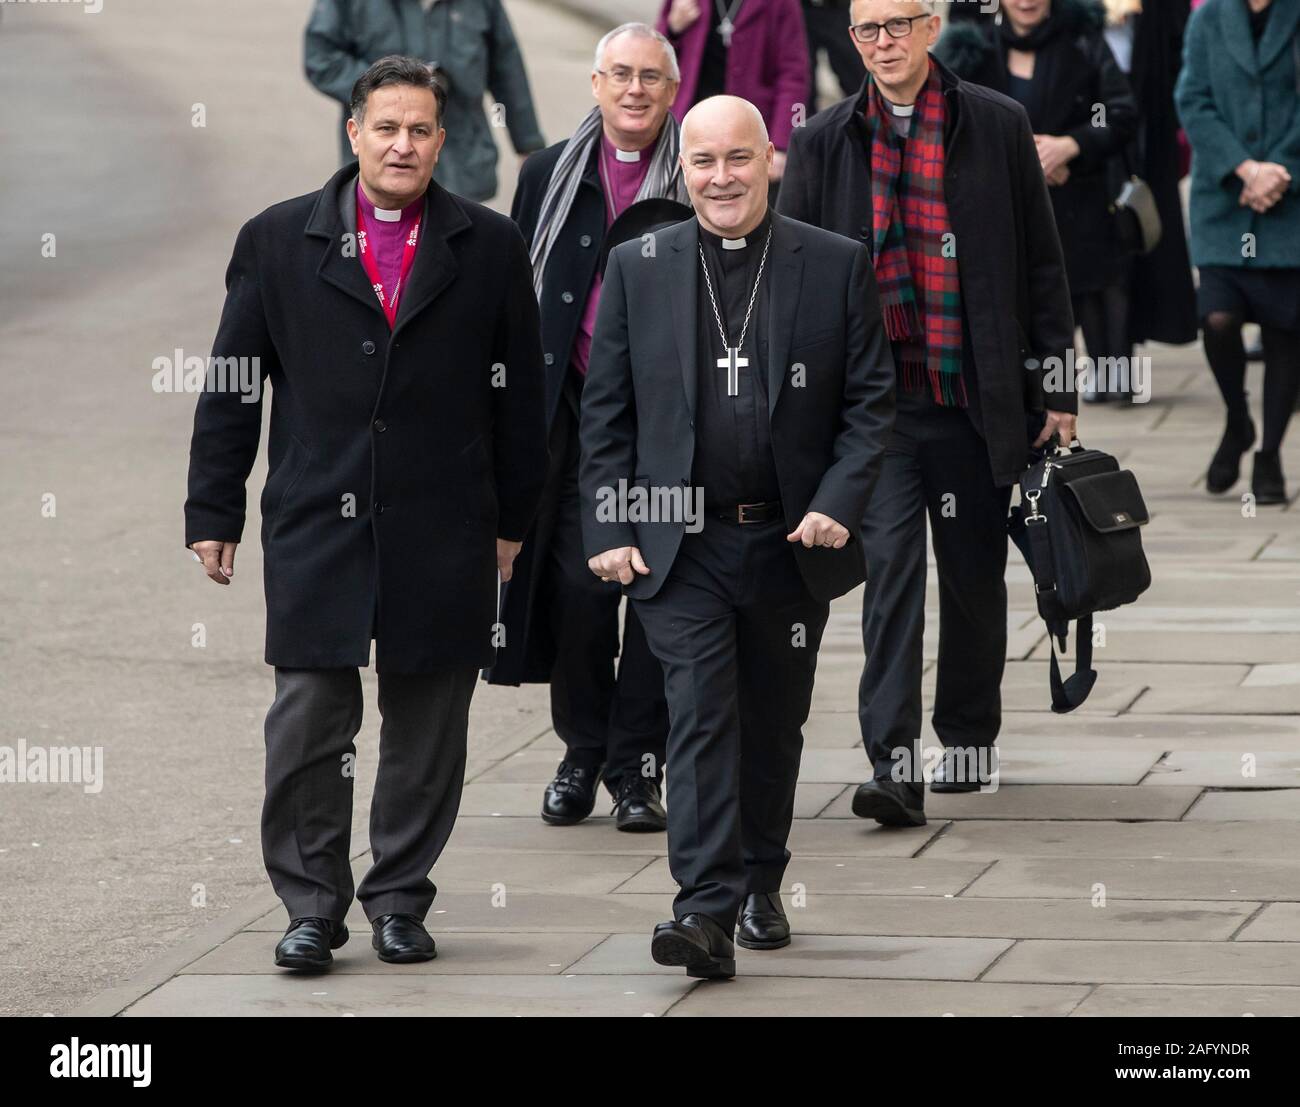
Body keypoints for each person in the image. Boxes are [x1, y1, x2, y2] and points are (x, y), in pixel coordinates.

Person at [184, 56, 547, 971]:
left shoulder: (491, 246)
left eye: (421, 129)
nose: (403, 144)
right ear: (354, 133)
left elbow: (521, 402)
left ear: (442, 139)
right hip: (317, 516)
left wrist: (513, 520)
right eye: (386, 127)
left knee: (428, 721)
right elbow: (233, 386)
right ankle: (311, 904)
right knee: (309, 718)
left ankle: (398, 898)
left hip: (446, 521)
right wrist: (212, 507)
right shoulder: (277, 240)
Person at [580, 95, 895, 977]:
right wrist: (608, 520)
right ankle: (704, 908)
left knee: (771, 720)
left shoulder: (835, 264)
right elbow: (605, 413)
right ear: (683, 167)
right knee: (700, 715)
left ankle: (763, 877)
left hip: (791, 539)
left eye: (739, 159)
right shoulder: (638, 264)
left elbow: (870, 405)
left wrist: (840, 499)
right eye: (704, 161)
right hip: (680, 546)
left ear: (770, 160)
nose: (721, 177)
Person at [779, 0, 1075, 825]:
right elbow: (795, 292)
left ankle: (970, 734)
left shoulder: (997, 124)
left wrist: (1058, 392)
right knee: (891, 586)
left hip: (975, 399)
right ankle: (893, 765)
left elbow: (1042, 267)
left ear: (933, 26)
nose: (884, 43)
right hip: (878, 412)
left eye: (899, 24)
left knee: (977, 582)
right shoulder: (823, 142)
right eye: (868, 29)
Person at [487, 23, 688, 833]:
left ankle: (638, 765)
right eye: (620, 75)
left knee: (660, 594)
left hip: (675, 419)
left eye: (651, 77)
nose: (635, 90)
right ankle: (582, 747)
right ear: (596, 84)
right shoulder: (546, 174)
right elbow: (511, 291)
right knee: (576, 586)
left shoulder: (695, 171)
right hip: (571, 414)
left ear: (673, 92)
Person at [937, 0, 1138, 403]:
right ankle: (1036, 397)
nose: (1026, 2)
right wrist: (1024, 160)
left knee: (1090, 292)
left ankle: (1105, 381)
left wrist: (1071, 145)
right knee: (1023, 307)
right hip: (1003, 207)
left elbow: (1120, 114)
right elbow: (951, 124)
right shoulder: (971, 48)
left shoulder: (1083, 40)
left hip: (1079, 200)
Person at [1176, 0, 1300, 504]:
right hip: (1224, 198)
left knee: (1285, 334)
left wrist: (1279, 170)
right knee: (1219, 318)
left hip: (1290, 202)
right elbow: (1192, 97)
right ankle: (1237, 418)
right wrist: (1245, 168)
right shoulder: (1209, 18)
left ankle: (1269, 454)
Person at [304, 0, 545, 202]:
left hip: (462, 160)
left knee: (460, 246)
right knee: (385, 245)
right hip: (383, 167)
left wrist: (528, 146)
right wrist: (386, 91)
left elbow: (506, 70)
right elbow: (321, 59)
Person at [1102, 0, 1199, 353]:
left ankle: (1126, 348)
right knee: (1099, 243)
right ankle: (1109, 357)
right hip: (1092, 112)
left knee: (1140, 228)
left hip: (1148, 112)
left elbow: (1180, 44)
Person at [657, 0, 810, 195]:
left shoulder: (783, 4)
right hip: (687, 127)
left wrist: (785, 143)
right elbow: (656, 54)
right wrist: (673, 28)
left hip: (747, 135)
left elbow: (795, 76)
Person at [802, 0, 866, 108]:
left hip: (840, 8)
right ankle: (800, 124)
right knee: (801, 84)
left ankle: (867, 120)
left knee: (856, 79)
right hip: (802, 10)